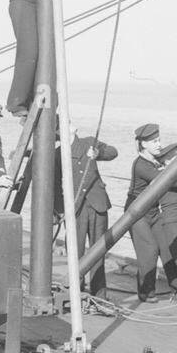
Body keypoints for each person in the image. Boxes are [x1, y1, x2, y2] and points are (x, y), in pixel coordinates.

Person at [127, 125, 177, 301]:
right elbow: (166, 180)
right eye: (153, 142)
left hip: (153, 210)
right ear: (143, 144)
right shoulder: (141, 165)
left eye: (158, 140)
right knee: (148, 249)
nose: (158, 144)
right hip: (137, 213)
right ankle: (146, 291)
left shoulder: (155, 162)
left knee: (167, 247)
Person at [6, 0, 63, 117]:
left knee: (42, 52)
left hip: (37, 4)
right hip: (23, 1)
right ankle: (16, 102)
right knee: (29, 51)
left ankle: (33, 98)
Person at [66, 127, 117, 299]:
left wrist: (98, 154)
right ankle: (76, 292)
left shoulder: (89, 142)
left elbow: (113, 152)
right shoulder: (59, 153)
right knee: (75, 251)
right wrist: (58, 212)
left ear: (74, 129)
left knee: (99, 249)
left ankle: (99, 294)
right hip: (76, 208)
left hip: (98, 205)